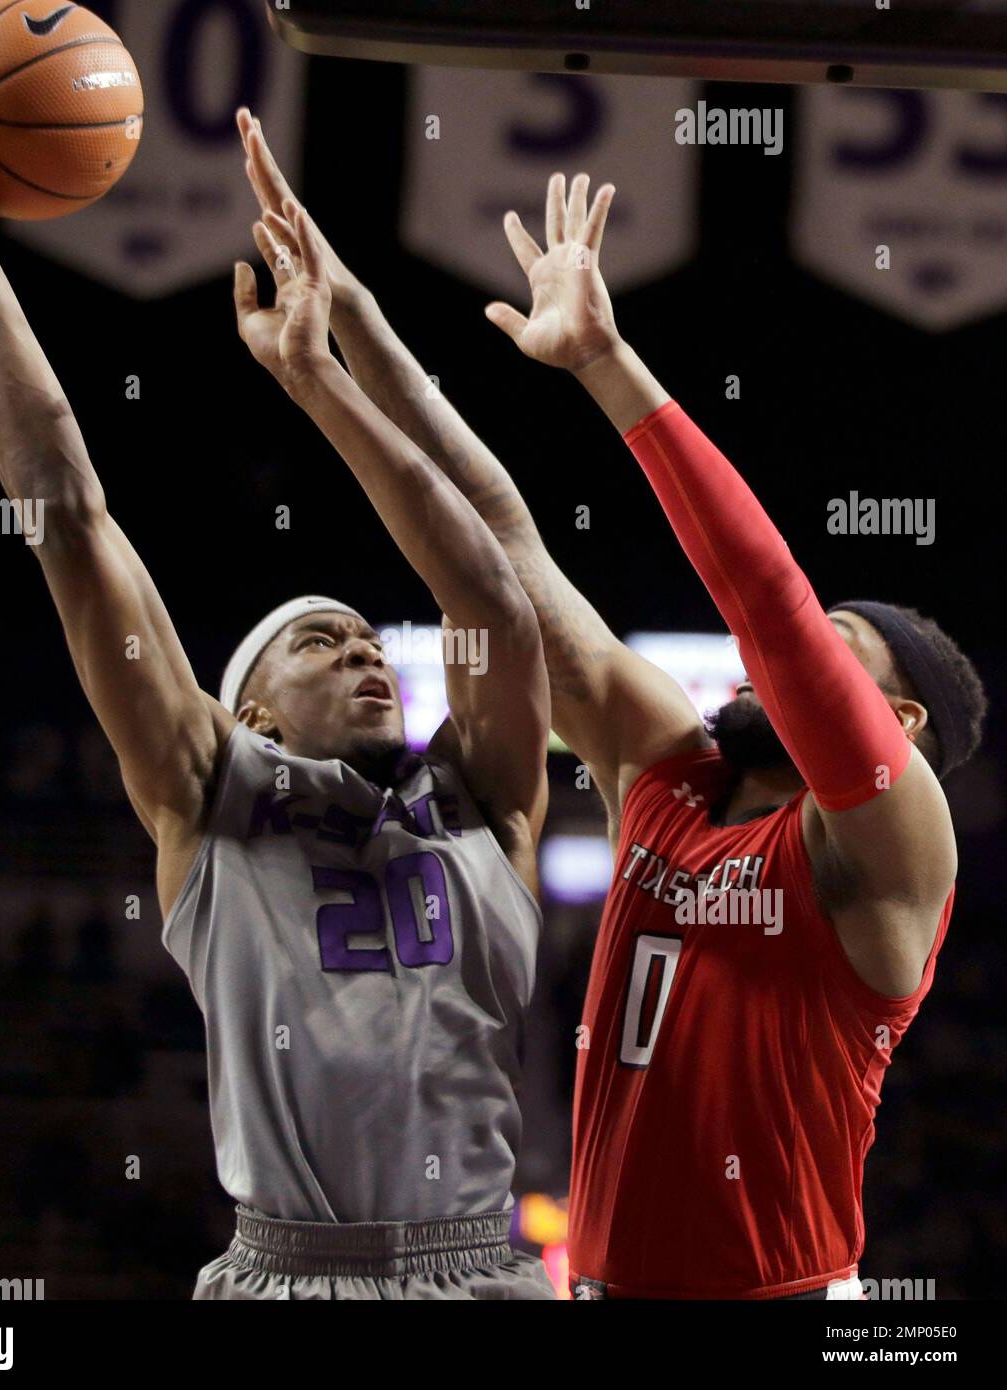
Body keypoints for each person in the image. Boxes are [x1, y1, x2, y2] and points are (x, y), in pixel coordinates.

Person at [238, 116, 986, 1299]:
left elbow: (771, 606)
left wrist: (606, 366)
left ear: (893, 727)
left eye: (831, 667)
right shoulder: (665, 765)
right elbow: (500, 541)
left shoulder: (892, 852)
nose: (762, 675)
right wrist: (344, 334)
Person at [0, 91, 555, 1301]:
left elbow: (493, 604)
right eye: (318, 641)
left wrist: (315, 375)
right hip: (286, 1272)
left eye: (366, 640)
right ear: (249, 712)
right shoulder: (211, 793)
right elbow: (69, 517)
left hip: (481, 1273)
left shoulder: (488, 799)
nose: (361, 653)